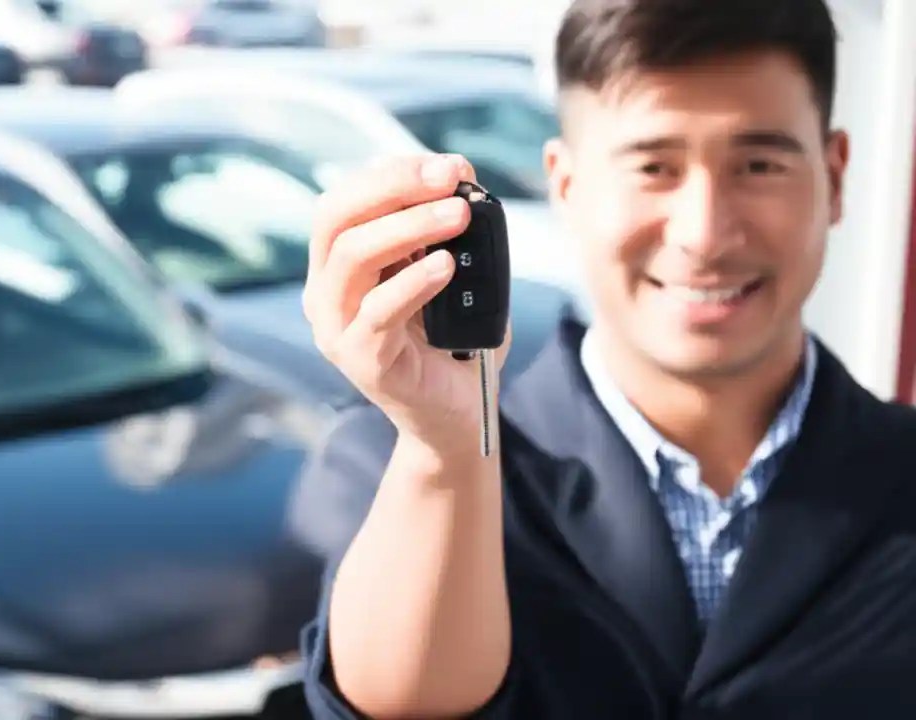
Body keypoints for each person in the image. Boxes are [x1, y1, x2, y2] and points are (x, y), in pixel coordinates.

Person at [296, 0, 916, 718]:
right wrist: (443, 451)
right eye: (654, 167)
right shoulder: (401, 461)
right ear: (566, 184)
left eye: (757, 164)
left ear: (836, 177)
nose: (704, 234)